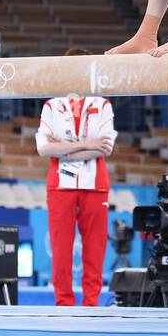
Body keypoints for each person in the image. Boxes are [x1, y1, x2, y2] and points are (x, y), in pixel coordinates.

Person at [36, 49, 117, 306]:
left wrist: (64, 149)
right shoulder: (52, 105)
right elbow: (43, 149)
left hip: (95, 185)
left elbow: (106, 148)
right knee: (61, 249)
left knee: (95, 249)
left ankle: (91, 303)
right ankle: (64, 303)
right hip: (61, 185)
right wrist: (88, 145)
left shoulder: (102, 104)